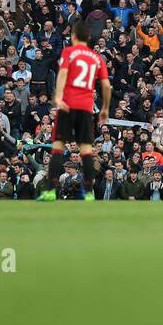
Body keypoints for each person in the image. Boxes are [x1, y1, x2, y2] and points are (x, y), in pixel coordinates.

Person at [48, 19, 112, 196]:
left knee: (58, 147)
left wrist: (59, 97)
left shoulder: (69, 52)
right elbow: (106, 86)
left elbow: (62, 75)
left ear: (74, 36)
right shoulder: (97, 58)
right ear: (89, 37)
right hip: (85, 108)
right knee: (86, 150)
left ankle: (51, 191)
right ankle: (90, 192)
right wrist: (105, 108)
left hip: (68, 105)